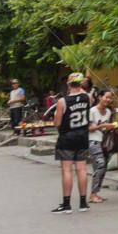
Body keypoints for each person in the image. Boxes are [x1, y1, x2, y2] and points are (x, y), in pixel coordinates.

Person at [50, 73, 92, 213]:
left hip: (67, 138)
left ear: (68, 84)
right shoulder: (87, 98)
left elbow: (57, 123)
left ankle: (66, 204)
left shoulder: (62, 101)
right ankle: (83, 203)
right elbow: (84, 94)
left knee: (67, 170)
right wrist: (81, 87)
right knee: (82, 170)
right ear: (81, 84)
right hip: (82, 137)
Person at [86, 89, 116, 203]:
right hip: (93, 141)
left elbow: (106, 128)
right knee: (100, 164)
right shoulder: (92, 111)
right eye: (106, 97)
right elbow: (87, 128)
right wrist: (101, 126)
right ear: (100, 97)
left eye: (110, 98)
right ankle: (92, 195)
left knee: (103, 167)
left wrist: (111, 127)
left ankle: (95, 193)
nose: (108, 100)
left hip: (104, 142)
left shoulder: (108, 112)